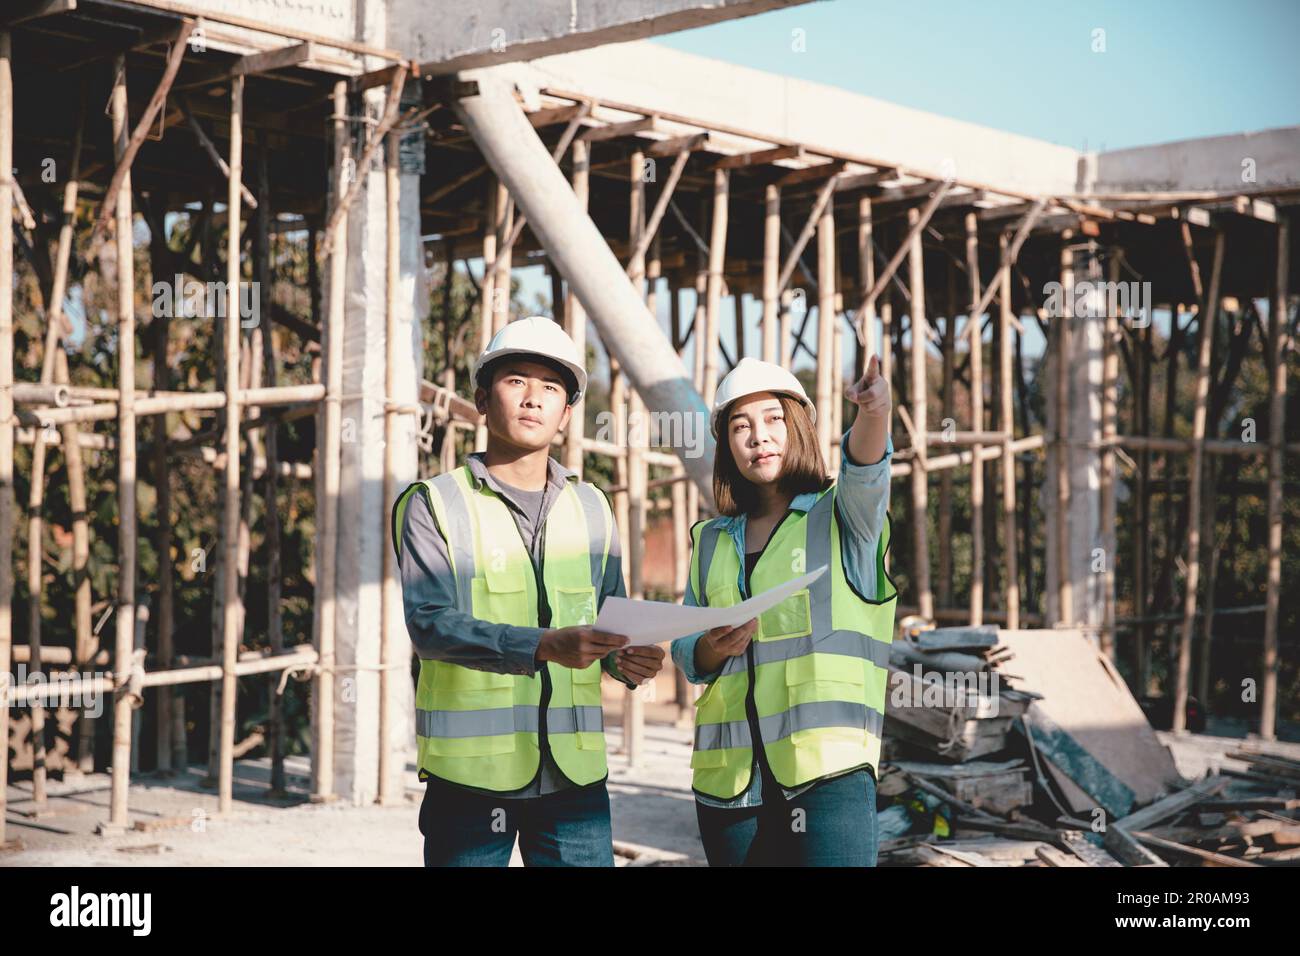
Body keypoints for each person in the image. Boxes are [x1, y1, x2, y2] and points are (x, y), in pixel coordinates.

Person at [392, 315, 667, 866]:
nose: (532, 398)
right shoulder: (433, 503)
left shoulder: (594, 508)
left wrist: (627, 661)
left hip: (574, 781)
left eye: (550, 388)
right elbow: (430, 625)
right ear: (482, 401)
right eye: (516, 380)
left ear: (567, 414)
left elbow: (610, 624)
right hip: (470, 782)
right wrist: (543, 645)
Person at [670, 355, 897, 866]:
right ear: (727, 445)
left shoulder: (843, 519)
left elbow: (867, 469)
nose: (758, 436)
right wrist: (709, 647)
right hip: (730, 783)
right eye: (740, 426)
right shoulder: (709, 541)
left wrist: (875, 411)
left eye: (773, 419)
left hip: (827, 776)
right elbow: (685, 653)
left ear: (798, 427)